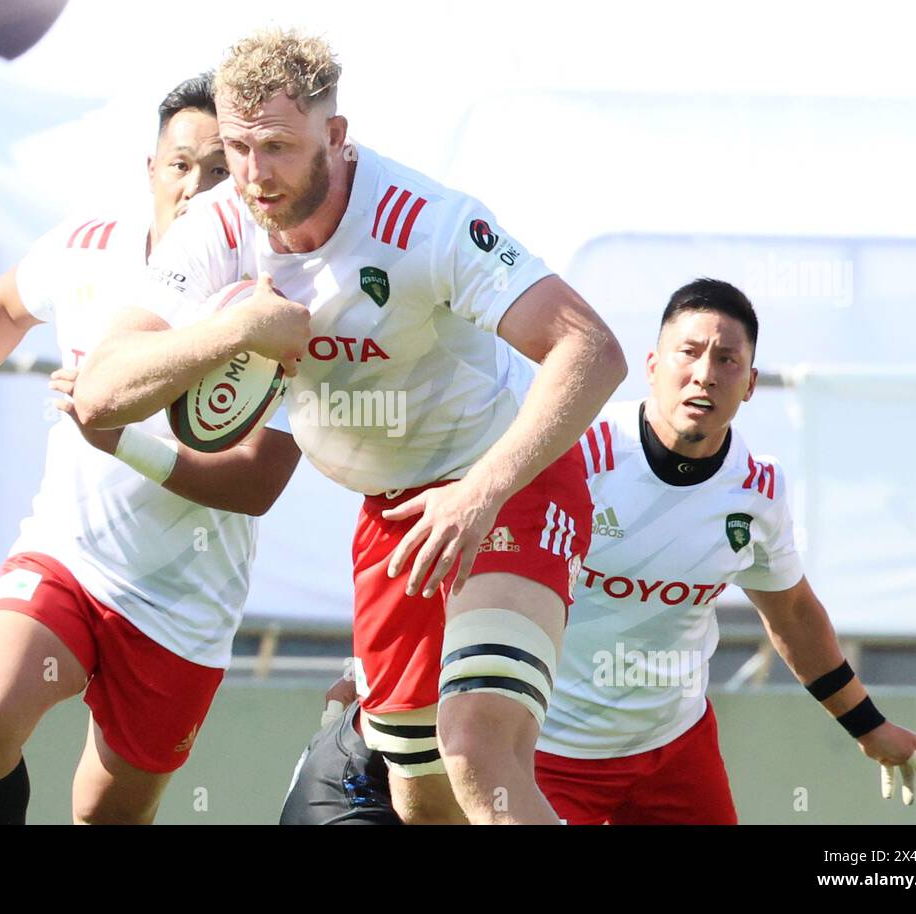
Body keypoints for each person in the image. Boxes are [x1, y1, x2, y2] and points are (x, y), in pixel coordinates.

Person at [73, 28, 627, 824]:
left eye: (278, 148)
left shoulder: (426, 221)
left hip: (508, 486)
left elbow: (592, 350)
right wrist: (237, 330)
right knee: (423, 801)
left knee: (478, 750)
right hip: (393, 520)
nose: (254, 174)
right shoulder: (219, 227)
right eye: (237, 147)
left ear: (335, 135)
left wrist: (478, 492)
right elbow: (99, 392)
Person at [278, 278, 916, 825]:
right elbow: (462, 551)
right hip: (550, 753)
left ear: (749, 383)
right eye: (688, 353)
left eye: (726, 361)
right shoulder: (572, 458)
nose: (704, 375)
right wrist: (367, 669)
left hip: (673, 748)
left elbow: (793, 616)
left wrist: (870, 727)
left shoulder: (758, 492)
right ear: (653, 366)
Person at [0, 73, 301, 825]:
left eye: (218, 170)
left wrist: (119, 443)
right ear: (151, 170)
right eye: (180, 165)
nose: (196, 187)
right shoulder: (90, 247)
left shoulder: (274, 302)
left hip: (183, 608)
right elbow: (6, 305)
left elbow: (260, 480)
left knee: (103, 817)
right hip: (68, 557)